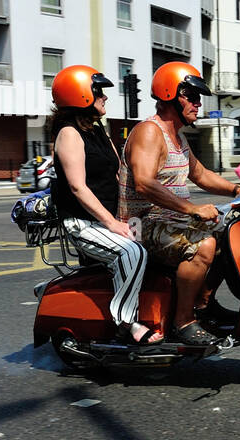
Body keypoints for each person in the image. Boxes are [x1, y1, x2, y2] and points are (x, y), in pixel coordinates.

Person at [120, 61, 240, 346]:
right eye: (191, 96)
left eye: (198, 98)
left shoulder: (178, 138)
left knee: (230, 235)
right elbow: (144, 182)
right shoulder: (149, 132)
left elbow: (200, 174)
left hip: (170, 221)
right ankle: (183, 322)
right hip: (141, 225)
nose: (198, 104)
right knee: (204, 245)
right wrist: (192, 209)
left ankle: (203, 304)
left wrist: (238, 189)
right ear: (169, 94)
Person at [48, 65, 161, 345]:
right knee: (131, 253)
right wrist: (113, 224)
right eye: (98, 92)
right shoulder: (69, 134)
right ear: (80, 95)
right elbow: (78, 187)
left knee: (161, 244)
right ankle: (126, 322)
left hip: (108, 217)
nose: (104, 98)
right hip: (82, 222)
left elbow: (118, 176)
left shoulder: (99, 131)